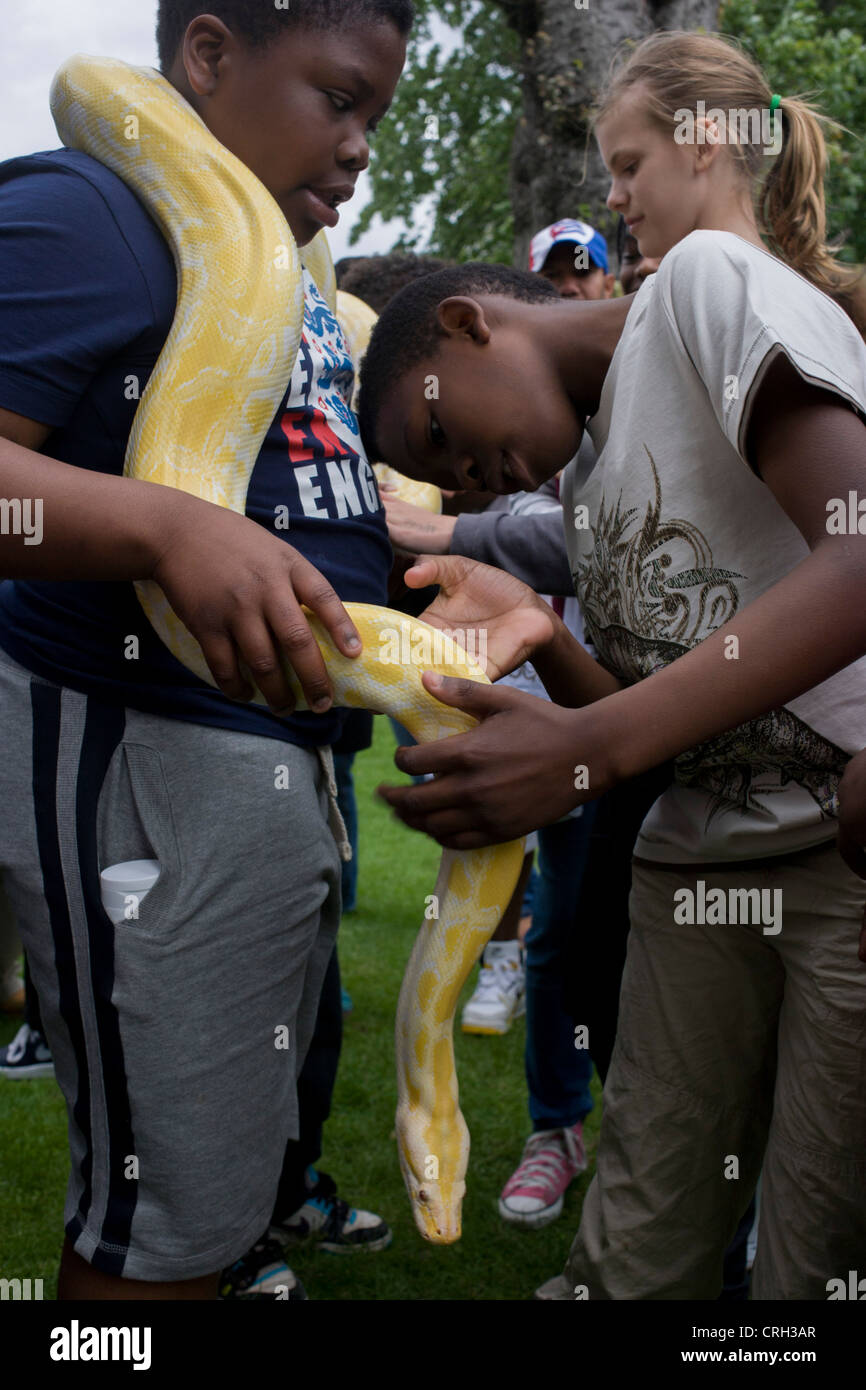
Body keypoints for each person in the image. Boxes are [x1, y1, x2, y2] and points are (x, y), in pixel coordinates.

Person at [357, 29, 866, 1299]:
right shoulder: (582, 487)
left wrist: (587, 749)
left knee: (806, 1265)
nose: (463, 480)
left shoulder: (701, 281)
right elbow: (677, 725)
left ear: (469, 326)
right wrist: (552, 660)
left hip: (843, 865)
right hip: (694, 865)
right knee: (633, 1257)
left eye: (437, 427)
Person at [0, 0, 413, 1300]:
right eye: (336, 97)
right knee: (155, 1224)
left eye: (375, 118)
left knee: (213, 1187)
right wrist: (160, 528)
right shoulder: (95, 213)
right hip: (135, 750)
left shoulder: (267, 266)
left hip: (259, 767)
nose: (356, 148)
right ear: (209, 55)